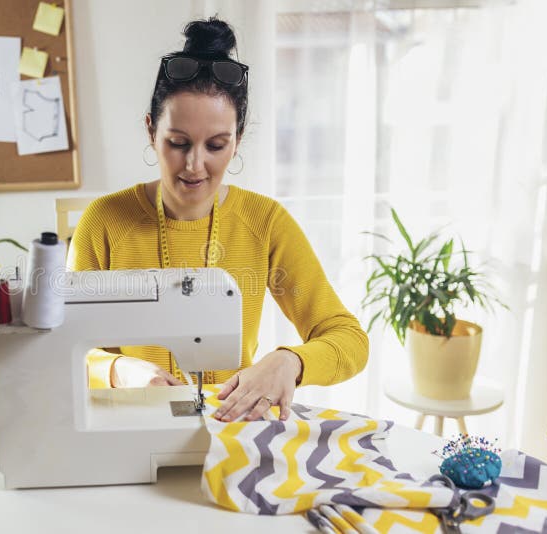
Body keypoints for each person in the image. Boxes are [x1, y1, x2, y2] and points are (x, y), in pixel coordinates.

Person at [68, 17, 368, 423]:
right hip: (132, 424)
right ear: (151, 131)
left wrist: (289, 361)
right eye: (178, 143)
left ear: (238, 141)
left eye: (216, 145)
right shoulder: (103, 223)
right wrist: (120, 371)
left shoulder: (266, 223)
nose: (194, 165)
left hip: (232, 429)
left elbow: (349, 339)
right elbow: (68, 346)